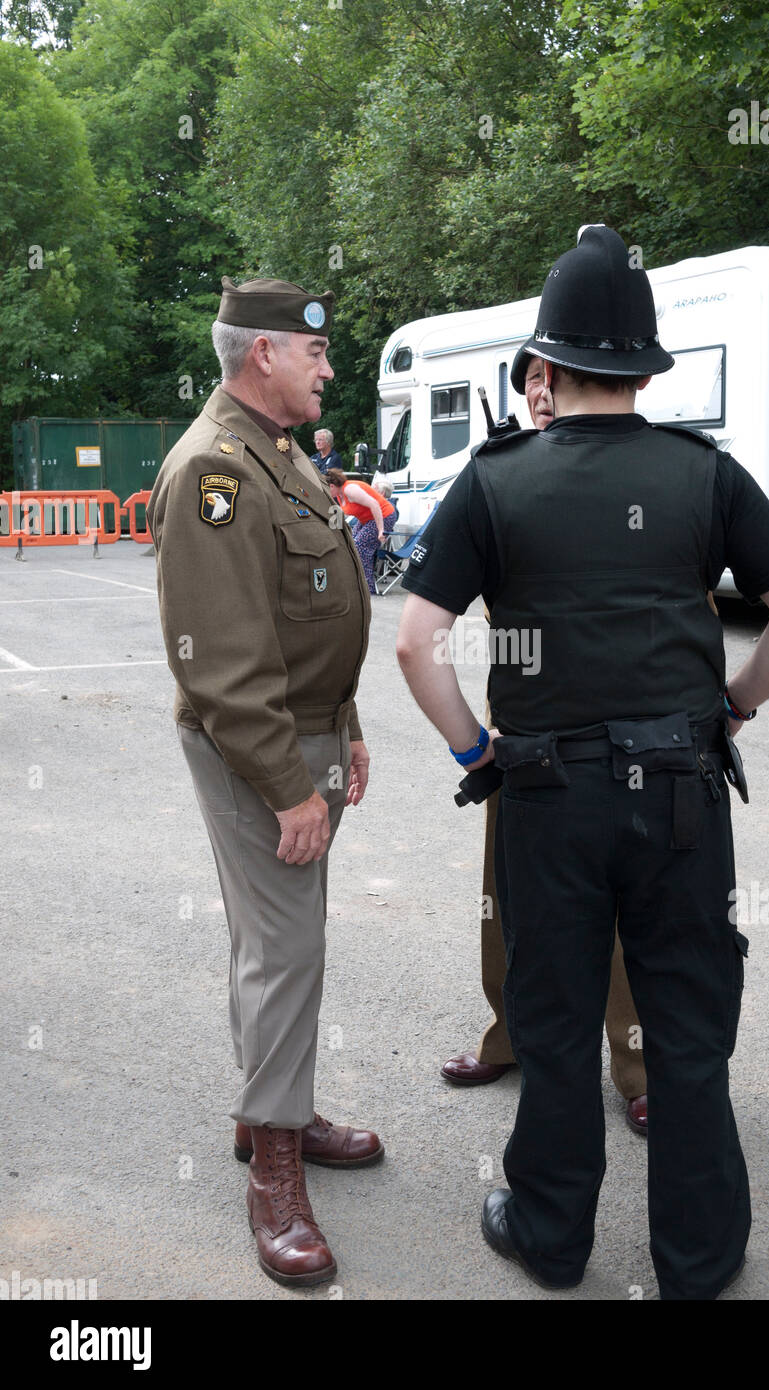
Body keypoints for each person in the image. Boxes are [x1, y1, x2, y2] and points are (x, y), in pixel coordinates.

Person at [396, 225, 769, 1299]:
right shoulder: (702, 472)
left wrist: (475, 749)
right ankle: (698, 1256)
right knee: (687, 1023)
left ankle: (551, 1235)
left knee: (552, 1020)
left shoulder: (495, 480)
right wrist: (729, 707)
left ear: (547, 366)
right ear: (644, 366)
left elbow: (416, 642)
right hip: (680, 791)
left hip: (546, 795)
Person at [147, 276, 382, 1290]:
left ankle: (267, 1109)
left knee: (276, 937)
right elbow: (222, 663)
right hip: (262, 747)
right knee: (286, 945)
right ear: (262, 359)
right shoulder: (215, 470)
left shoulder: (278, 453)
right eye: (315, 354)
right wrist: (293, 786)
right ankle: (274, 1169)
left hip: (309, 731)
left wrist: (352, 726)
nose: (328, 369)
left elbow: (318, 609)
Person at [441, 346, 650, 1136]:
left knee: (624, 917)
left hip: (625, 743)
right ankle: (513, 1035)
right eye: (527, 380)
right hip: (523, 738)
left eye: (547, 375)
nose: (538, 390)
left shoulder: (648, 474)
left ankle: (636, 1065)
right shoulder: (500, 473)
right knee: (508, 905)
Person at [326, 467, 396, 596]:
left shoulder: (349, 489)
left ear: (332, 486)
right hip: (367, 519)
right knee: (350, 544)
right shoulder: (339, 495)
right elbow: (342, 515)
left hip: (384, 515)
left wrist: (381, 530)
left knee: (360, 547)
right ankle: (352, 582)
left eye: (326, 488)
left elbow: (374, 504)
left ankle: (367, 589)